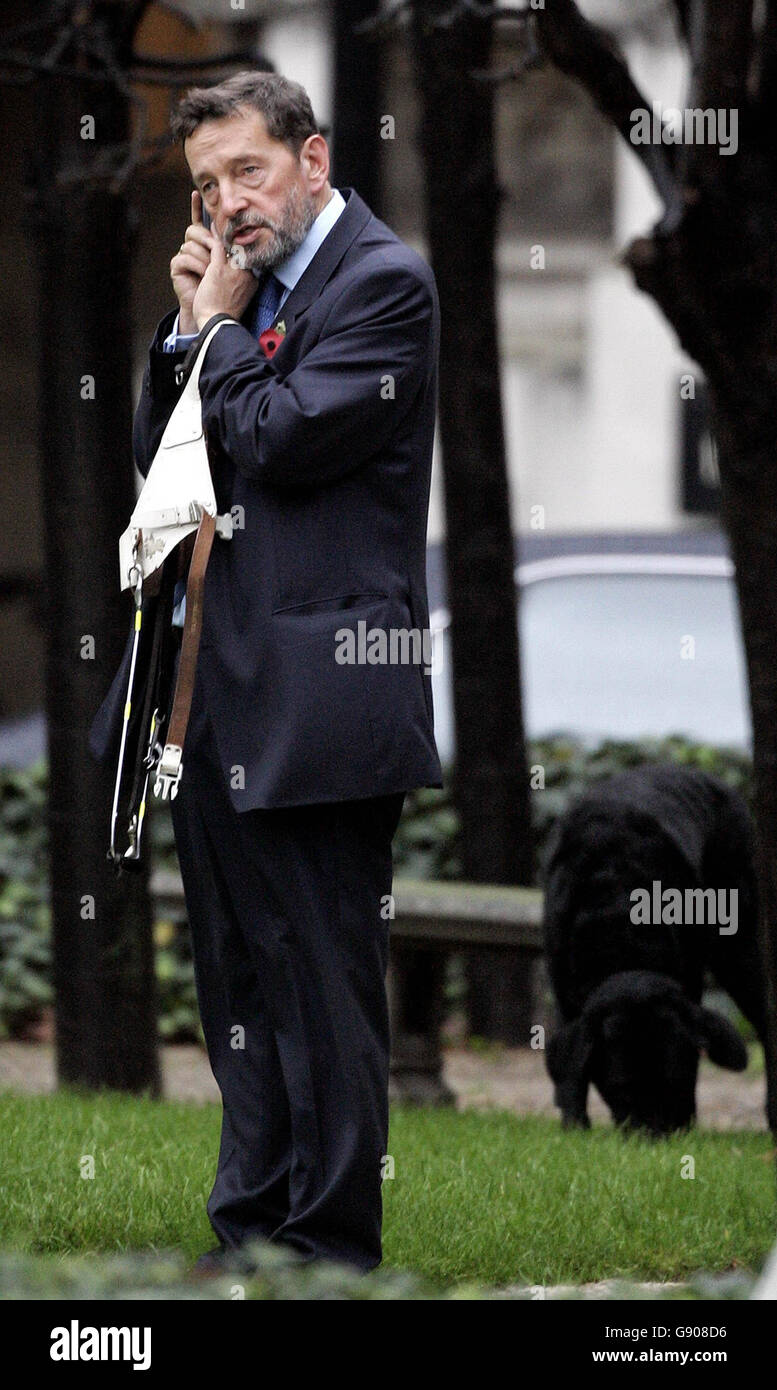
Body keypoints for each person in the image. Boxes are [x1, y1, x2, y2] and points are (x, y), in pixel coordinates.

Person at [90, 70, 442, 1274]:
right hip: (213, 691)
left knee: (323, 990)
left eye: (247, 170)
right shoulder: (235, 303)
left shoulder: (382, 283)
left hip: (325, 697)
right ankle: (250, 1232)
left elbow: (284, 437)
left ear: (313, 160)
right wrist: (188, 331)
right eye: (205, 185)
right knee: (240, 984)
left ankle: (329, 1246)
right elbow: (166, 475)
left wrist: (220, 332)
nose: (228, 203)